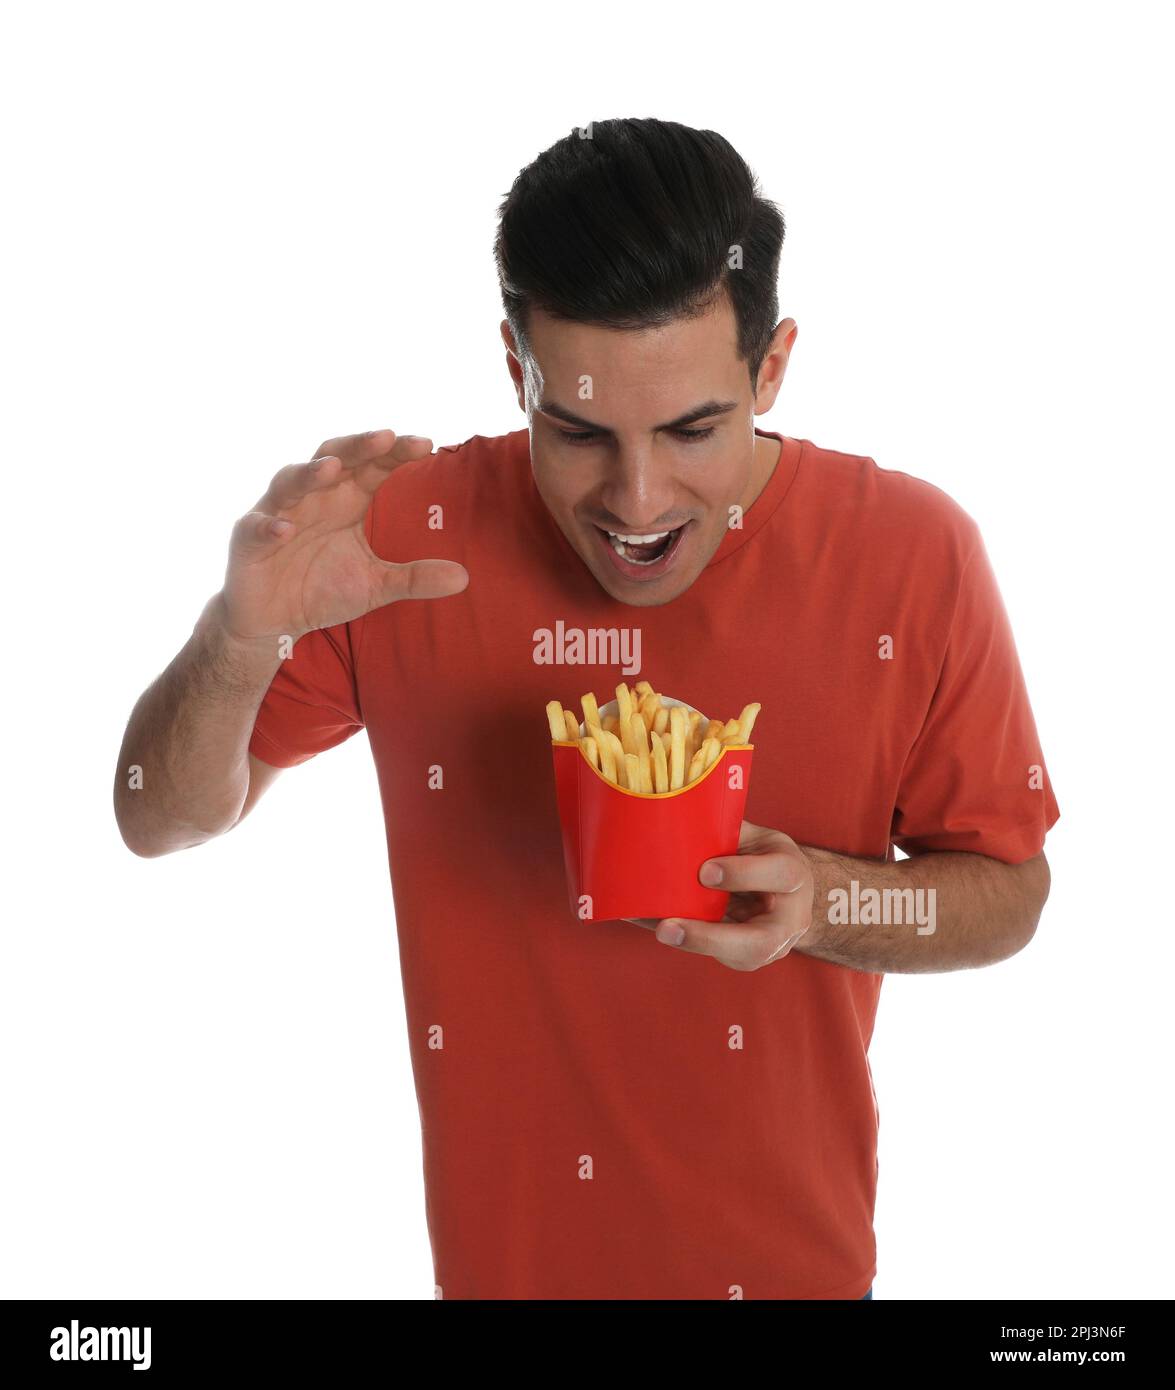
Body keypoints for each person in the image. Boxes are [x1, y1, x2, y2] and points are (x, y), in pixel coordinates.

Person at [113, 118, 1059, 1300]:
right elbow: (159, 816)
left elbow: (1008, 889)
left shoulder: (911, 555)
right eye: (576, 432)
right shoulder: (401, 542)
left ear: (769, 370)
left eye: (691, 429)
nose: (638, 500)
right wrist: (238, 634)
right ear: (515, 367)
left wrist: (822, 898)